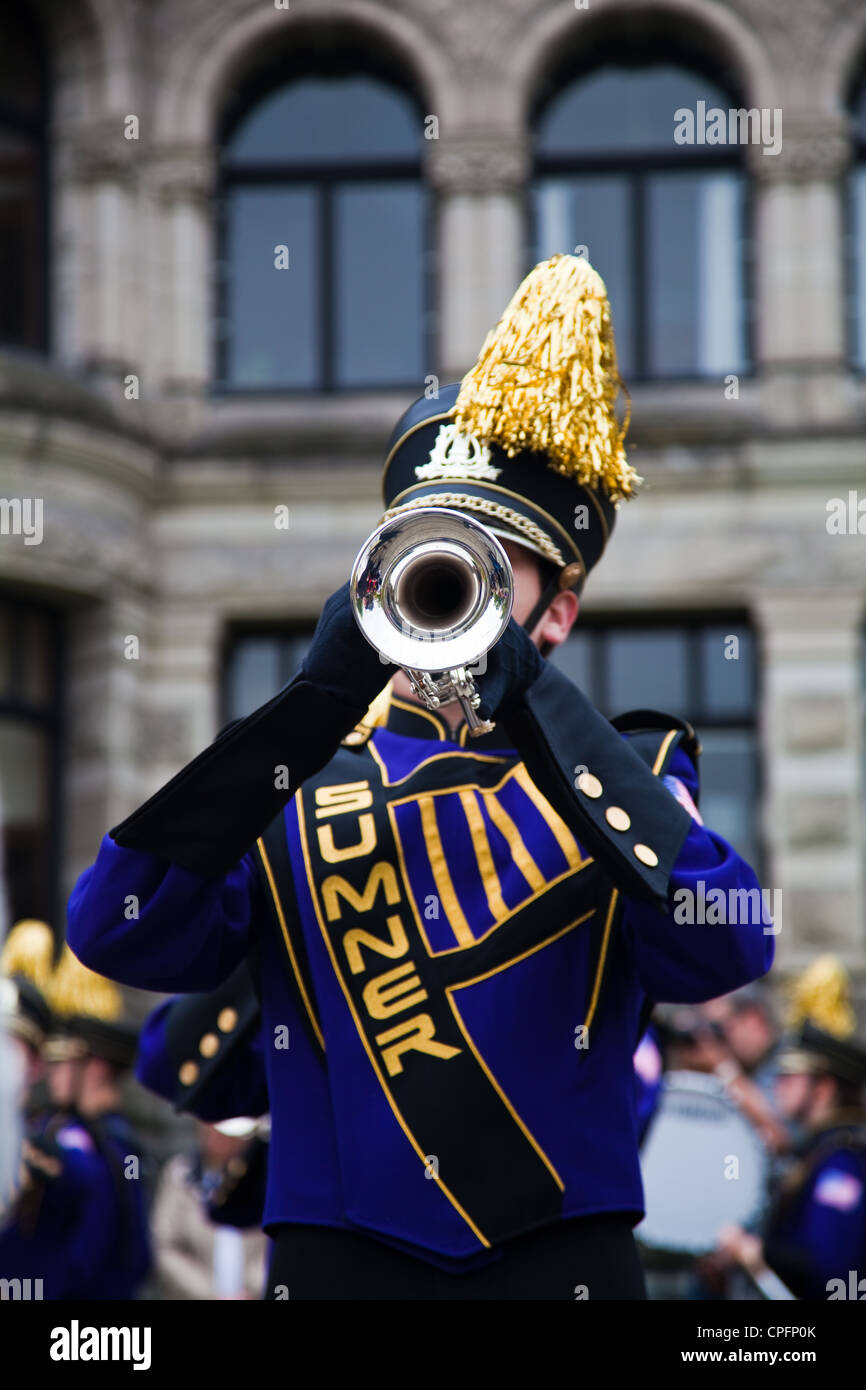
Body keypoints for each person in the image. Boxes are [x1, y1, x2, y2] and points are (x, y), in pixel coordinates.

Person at [67, 253, 773, 1300]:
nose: (453, 577)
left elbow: (723, 941)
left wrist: (537, 703)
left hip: (559, 1269)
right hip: (336, 1268)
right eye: (431, 551)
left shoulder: (625, 772)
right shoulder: (292, 780)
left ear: (559, 611)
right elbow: (114, 926)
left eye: (494, 557)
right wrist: (309, 703)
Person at [0, 919, 152, 1300]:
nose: (50, 1069)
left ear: (95, 1066)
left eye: (62, 1059)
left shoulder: (115, 1151)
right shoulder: (51, 1125)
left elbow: (108, 1260)